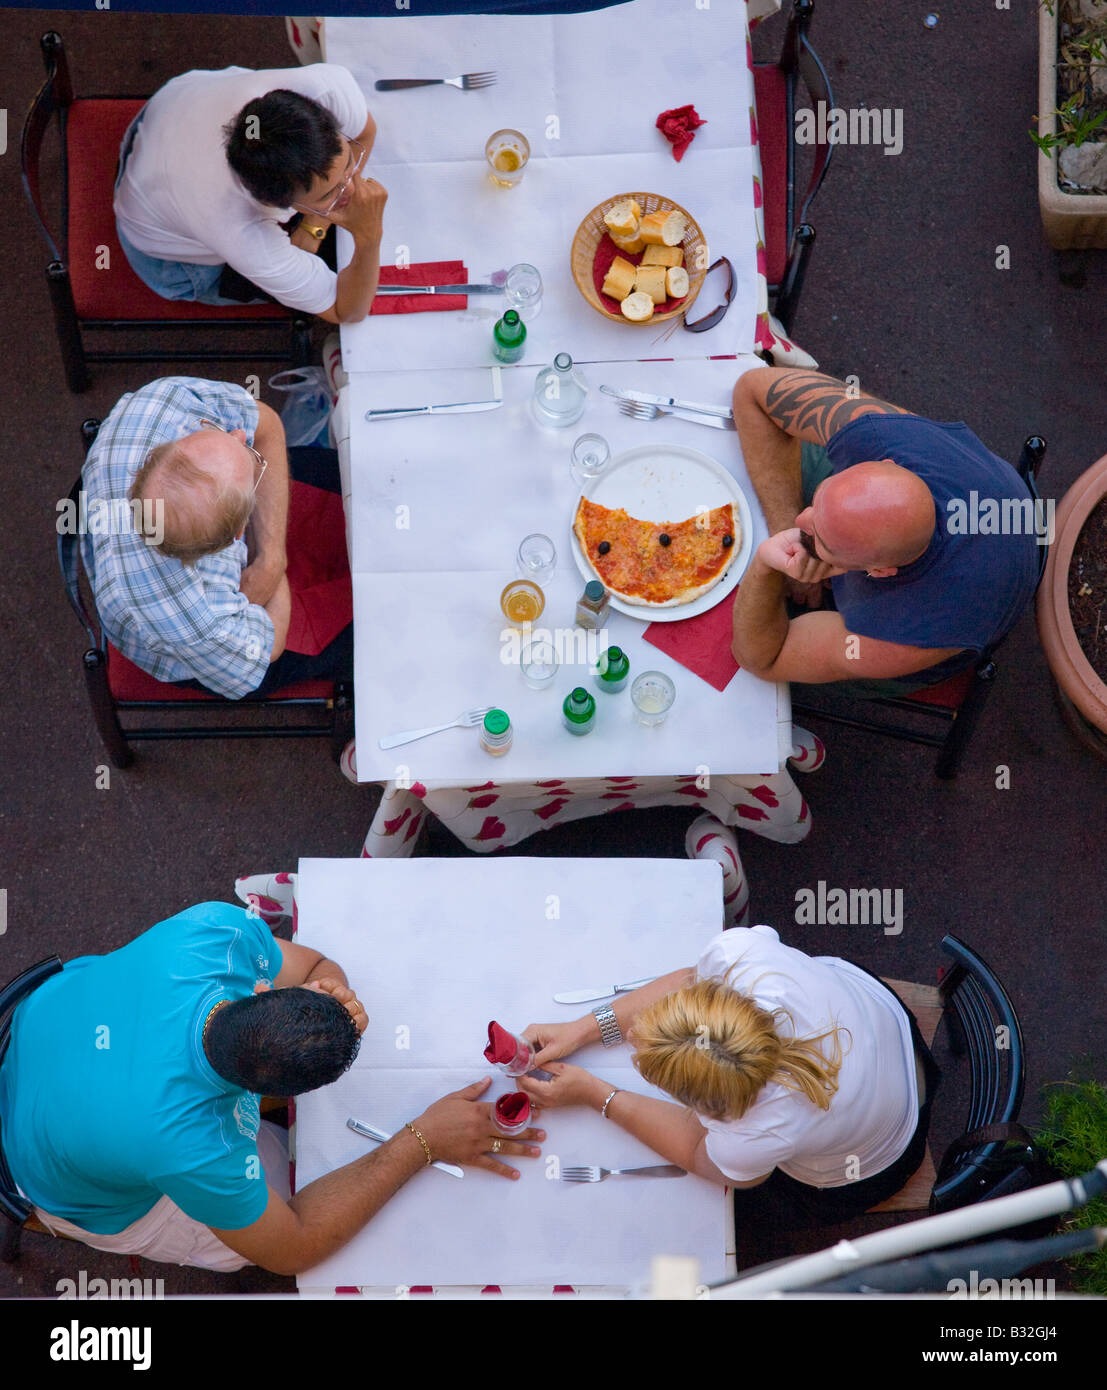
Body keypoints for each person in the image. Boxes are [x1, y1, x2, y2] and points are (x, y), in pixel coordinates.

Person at [0, 902, 543, 1274]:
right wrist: (422, 1141)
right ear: (261, 1097)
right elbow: (294, 1246)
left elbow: (317, 963)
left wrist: (334, 991)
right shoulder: (192, 1147)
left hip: (35, 1030)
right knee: (254, 1218)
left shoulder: (215, 935)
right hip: (43, 1174)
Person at [518, 924, 939, 1224]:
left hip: (889, 1149)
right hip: (883, 1021)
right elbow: (687, 979)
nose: (629, 1033)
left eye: (644, 1064)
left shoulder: (758, 1133)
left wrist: (596, 1094)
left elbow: (699, 1153)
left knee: (746, 1201)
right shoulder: (742, 958)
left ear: (705, 1107)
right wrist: (582, 1029)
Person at [729, 367, 1041, 694]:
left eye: (820, 540)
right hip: (1008, 520)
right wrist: (788, 526)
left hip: (933, 628)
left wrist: (766, 564)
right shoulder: (887, 438)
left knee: (735, 636)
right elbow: (751, 390)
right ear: (887, 464)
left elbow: (763, 658)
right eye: (822, 496)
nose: (801, 521)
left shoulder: (896, 638)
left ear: (879, 571)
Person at [80, 375, 350, 700]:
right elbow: (271, 645)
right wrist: (272, 572)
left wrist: (271, 561)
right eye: (250, 462)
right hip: (190, 646)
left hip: (171, 580)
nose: (239, 434)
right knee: (363, 637)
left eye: (218, 433)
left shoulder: (162, 405)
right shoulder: (201, 622)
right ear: (237, 535)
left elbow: (265, 428)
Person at [114, 64, 385, 321]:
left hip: (165, 113)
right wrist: (369, 236)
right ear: (272, 203)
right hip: (164, 253)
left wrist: (314, 225)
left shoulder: (324, 89)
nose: (353, 187)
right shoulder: (239, 230)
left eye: (349, 161)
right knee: (340, 266)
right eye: (328, 195)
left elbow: (365, 132)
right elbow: (345, 310)